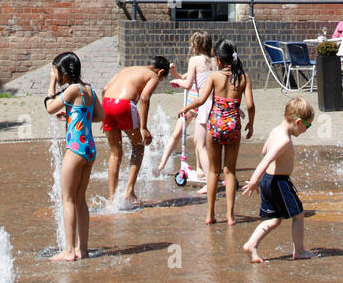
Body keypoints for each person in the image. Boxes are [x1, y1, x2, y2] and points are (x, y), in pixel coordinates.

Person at [179, 39, 254, 226]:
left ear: (219, 60)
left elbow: (202, 100)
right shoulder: (244, 78)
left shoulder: (214, 77)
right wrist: (251, 123)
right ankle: (230, 216)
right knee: (230, 171)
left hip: (215, 126)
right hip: (233, 126)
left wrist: (186, 108)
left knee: (213, 171)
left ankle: (210, 214)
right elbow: (251, 105)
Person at [44, 50, 104, 262]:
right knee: (80, 199)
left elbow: (50, 107)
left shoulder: (72, 90)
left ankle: (69, 251)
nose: (55, 75)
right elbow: (99, 115)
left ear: (63, 72)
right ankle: (83, 249)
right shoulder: (88, 88)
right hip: (89, 149)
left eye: (56, 72)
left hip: (75, 150)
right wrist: (73, 115)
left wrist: (51, 83)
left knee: (67, 199)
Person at [241, 96, 314, 261]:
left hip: (268, 180)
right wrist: (253, 181)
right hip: (279, 182)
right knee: (299, 215)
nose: (306, 130)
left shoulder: (276, 131)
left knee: (274, 219)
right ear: (297, 122)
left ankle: (251, 245)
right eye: (307, 126)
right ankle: (300, 251)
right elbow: (265, 159)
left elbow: (264, 150)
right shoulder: (284, 140)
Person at [101, 57, 173, 204]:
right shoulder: (152, 76)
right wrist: (143, 127)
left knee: (115, 152)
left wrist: (104, 115)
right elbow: (145, 98)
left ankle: (111, 198)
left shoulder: (127, 69)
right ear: (161, 72)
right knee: (139, 146)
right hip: (124, 105)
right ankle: (129, 192)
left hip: (106, 103)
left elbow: (104, 89)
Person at [157, 30, 215, 182]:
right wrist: (175, 74)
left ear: (196, 45)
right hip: (203, 102)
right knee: (181, 134)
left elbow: (186, 83)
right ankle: (162, 164)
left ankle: (201, 170)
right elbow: (185, 78)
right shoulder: (214, 61)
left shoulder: (196, 60)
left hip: (195, 103)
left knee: (198, 141)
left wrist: (177, 82)